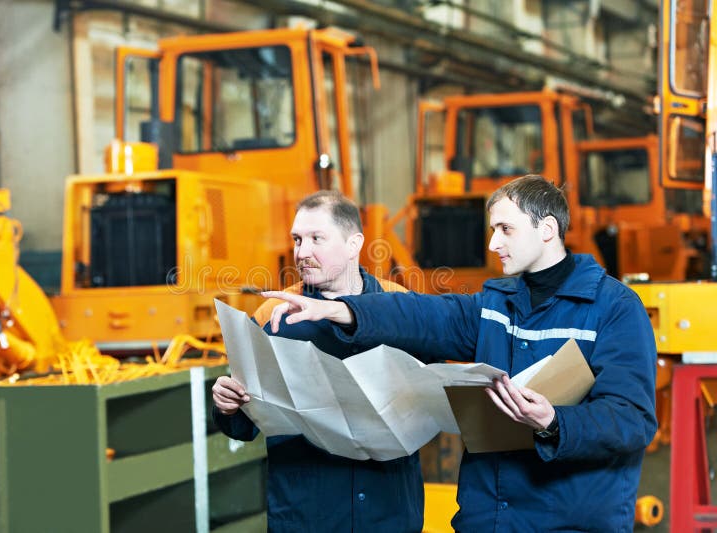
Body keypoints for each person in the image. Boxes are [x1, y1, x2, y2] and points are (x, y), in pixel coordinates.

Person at [263, 175, 657, 532]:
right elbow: (422, 314)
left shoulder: (614, 308)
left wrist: (555, 421)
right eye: (492, 230)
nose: (493, 243)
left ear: (547, 230)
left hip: (569, 521)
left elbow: (633, 419)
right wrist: (339, 308)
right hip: (488, 519)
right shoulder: (493, 305)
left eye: (505, 229)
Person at [212, 190, 425, 533]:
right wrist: (227, 405)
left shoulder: (400, 307)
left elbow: (432, 400)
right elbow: (243, 425)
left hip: (388, 511)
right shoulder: (272, 317)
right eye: (297, 239)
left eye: (316, 239)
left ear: (354, 244)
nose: (302, 251)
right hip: (308, 514)